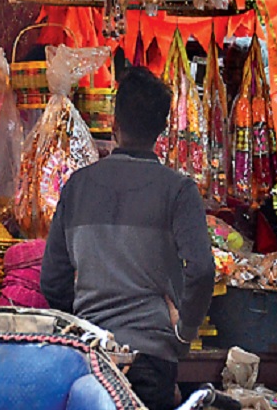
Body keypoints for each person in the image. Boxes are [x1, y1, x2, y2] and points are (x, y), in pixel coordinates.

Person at [41, 66, 215, 410]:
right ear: (161, 131)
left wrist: (83, 325)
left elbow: (52, 280)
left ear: (114, 124)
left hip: (91, 361)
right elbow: (202, 270)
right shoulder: (178, 190)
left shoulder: (77, 187)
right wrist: (184, 333)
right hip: (152, 356)